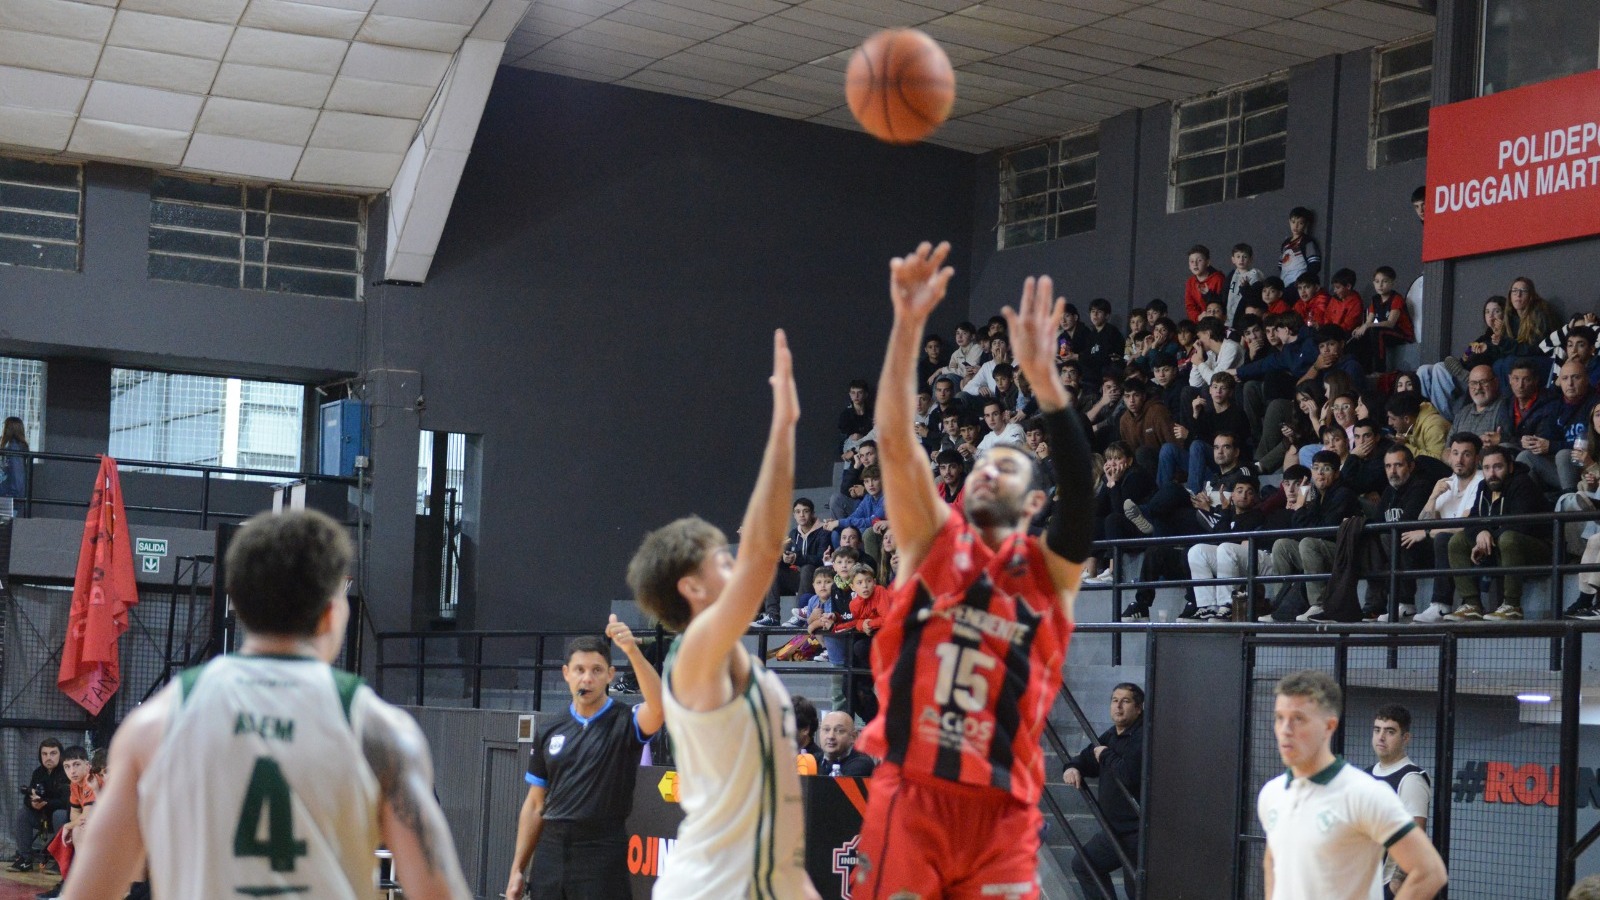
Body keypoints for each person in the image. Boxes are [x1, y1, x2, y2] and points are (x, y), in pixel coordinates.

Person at [61, 510, 470, 900]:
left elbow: (92, 889)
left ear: (238, 604)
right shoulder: (383, 731)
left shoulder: (155, 723)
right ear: (331, 612)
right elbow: (437, 892)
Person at [855, 243, 1091, 900]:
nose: (989, 466)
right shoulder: (932, 542)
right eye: (985, 458)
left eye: (1009, 464)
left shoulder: (1048, 576)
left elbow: (1084, 493)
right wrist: (906, 326)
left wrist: (1047, 386)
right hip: (915, 795)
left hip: (1002, 814)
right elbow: (897, 445)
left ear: (1035, 501)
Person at [626, 330, 818, 900]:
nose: (736, 565)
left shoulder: (740, 665)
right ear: (691, 587)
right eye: (721, 560)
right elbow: (764, 551)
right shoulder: (694, 653)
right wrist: (783, 427)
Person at [505, 625, 664, 900]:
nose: (587, 678)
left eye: (597, 670)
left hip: (601, 851)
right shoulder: (550, 729)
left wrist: (632, 651)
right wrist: (517, 868)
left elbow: (660, 707)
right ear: (566, 674)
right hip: (551, 853)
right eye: (579, 670)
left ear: (610, 675)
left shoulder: (626, 721)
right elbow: (534, 803)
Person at [1260, 672, 1446, 900]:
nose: (1286, 729)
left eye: (1298, 719)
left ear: (1329, 726)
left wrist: (1396, 885)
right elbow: (1272, 860)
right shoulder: (1271, 793)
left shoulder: (1366, 792)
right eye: (1279, 717)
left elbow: (1429, 871)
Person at [1445, 445, 1552, 621]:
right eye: (1487, 468)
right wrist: (1481, 533)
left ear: (1510, 467)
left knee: (1508, 538)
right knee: (1457, 541)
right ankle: (1472, 604)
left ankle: (1512, 605)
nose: (1492, 473)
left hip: (1538, 550)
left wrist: (1488, 536)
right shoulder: (1483, 487)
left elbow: (1520, 525)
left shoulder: (1522, 483)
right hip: (1499, 548)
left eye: (1498, 467)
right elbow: (1472, 520)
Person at [1062, 684, 1144, 900]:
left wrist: (1106, 755)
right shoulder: (1113, 734)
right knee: (1085, 865)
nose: (1118, 707)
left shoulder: (1143, 737)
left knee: (1137, 890)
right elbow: (1088, 757)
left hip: (1138, 832)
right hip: (1114, 831)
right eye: (1114, 700)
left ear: (1138, 708)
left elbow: (1128, 776)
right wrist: (1072, 767)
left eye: (1125, 701)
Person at [1270, 451, 1360, 622]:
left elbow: (1326, 530)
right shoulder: (1317, 496)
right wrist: (1301, 505)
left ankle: (1319, 604)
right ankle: (1280, 605)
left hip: (1343, 553)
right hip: (1320, 551)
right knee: (1282, 545)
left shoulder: (1343, 493)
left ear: (1336, 473)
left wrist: (1301, 506)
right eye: (1316, 468)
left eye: (1326, 468)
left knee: (1308, 543)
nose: (1319, 473)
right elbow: (1299, 530)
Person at [1411, 434, 1486, 623]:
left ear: (1477, 458)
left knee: (1444, 538)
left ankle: (1441, 605)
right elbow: (1422, 523)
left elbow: (1465, 525)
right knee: (1405, 538)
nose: (1459, 460)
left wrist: (1428, 532)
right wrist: (1432, 498)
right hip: (1443, 543)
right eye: (1455, 453)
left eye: (1466, 454)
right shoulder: (1447, 482)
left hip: (1471, 543)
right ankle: (1403, 604)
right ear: (1449, 456)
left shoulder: (1480, 481)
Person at [1367, 705, 1432, 900]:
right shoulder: (1365, 775)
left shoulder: (1411, 779)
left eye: (1390, 731)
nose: (1381, 737)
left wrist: (1394, 887)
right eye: (1377, 730)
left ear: (1405, 738)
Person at [763, 498, 830, 627]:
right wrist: (783, 558)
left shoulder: (823, 532)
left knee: (807, 567)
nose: (802, 515)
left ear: (812, 513)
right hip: (798, 579)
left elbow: (820, 559)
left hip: (817, 578)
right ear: (794, 515)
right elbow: (788, 557)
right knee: (773, 568)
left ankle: (801, 615)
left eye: (805, 511)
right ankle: (772, 616)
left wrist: (796, 558)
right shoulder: (793, 534)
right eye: (798, 512)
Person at [11, 738, 68, 873]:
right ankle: (25, 859)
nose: (48, 757)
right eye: (45, 754)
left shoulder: (67, 771)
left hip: (66, 819)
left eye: (53, 753)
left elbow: (66, 802)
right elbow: (28, 796)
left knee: (59, 814)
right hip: (43, 818)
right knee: (23, 813)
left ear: (60, 755)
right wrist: (32, 803)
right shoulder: (38, 772)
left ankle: (62, 861)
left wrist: (45, 803)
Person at [816, 711, 875, 777]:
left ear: (853, 737)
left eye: (839, 731)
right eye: (826, 729)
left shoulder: (861, 764)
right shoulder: (813, 760)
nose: (831, 736)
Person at [0, 416, 27, 515]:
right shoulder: (14, 448)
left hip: (8, 500)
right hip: (8, 498)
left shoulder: (13, 449)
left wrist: (12, 496)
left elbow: (17, 478)